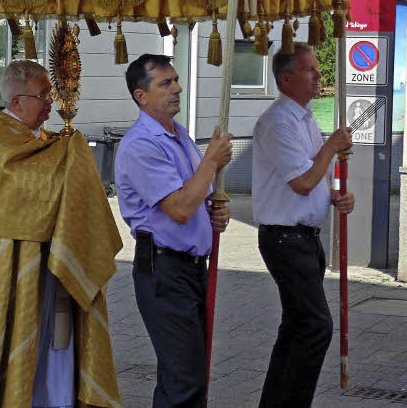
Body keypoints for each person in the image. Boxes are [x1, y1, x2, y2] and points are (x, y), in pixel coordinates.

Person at [0, 60, 123, 407]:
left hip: (58, 254)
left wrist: (69, 156)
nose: (51, 101)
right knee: (12, 332)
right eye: (43, 94)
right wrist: (70, 154)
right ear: (17, 101)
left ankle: (58, 398)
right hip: (10, 260)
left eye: (50, 93)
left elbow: (66, 184)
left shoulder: (50, 140)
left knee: (56, 336)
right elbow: (28, 183)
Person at [114, 54, 233, 407]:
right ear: (141, 96)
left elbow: (198, 198)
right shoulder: (141, 144)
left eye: (176, 80)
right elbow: (180, 208)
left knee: (182, 376)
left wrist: (216, 210)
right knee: (186, 378)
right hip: (165, 271)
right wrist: (212, 160)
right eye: (165, 83)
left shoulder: (179, 135)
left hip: (191, 269)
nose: (177, 88)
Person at [252, 44, 355, 408]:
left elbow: (314, 178)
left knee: (297, 326)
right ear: (286, 79)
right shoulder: (277, 122)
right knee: (316, 326)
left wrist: (335, 196)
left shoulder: (304, 117)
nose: (317, 75)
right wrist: (330, 147)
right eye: (309, 70)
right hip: (285, 238)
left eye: (316, 68)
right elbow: (301, 182)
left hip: (305, 238)